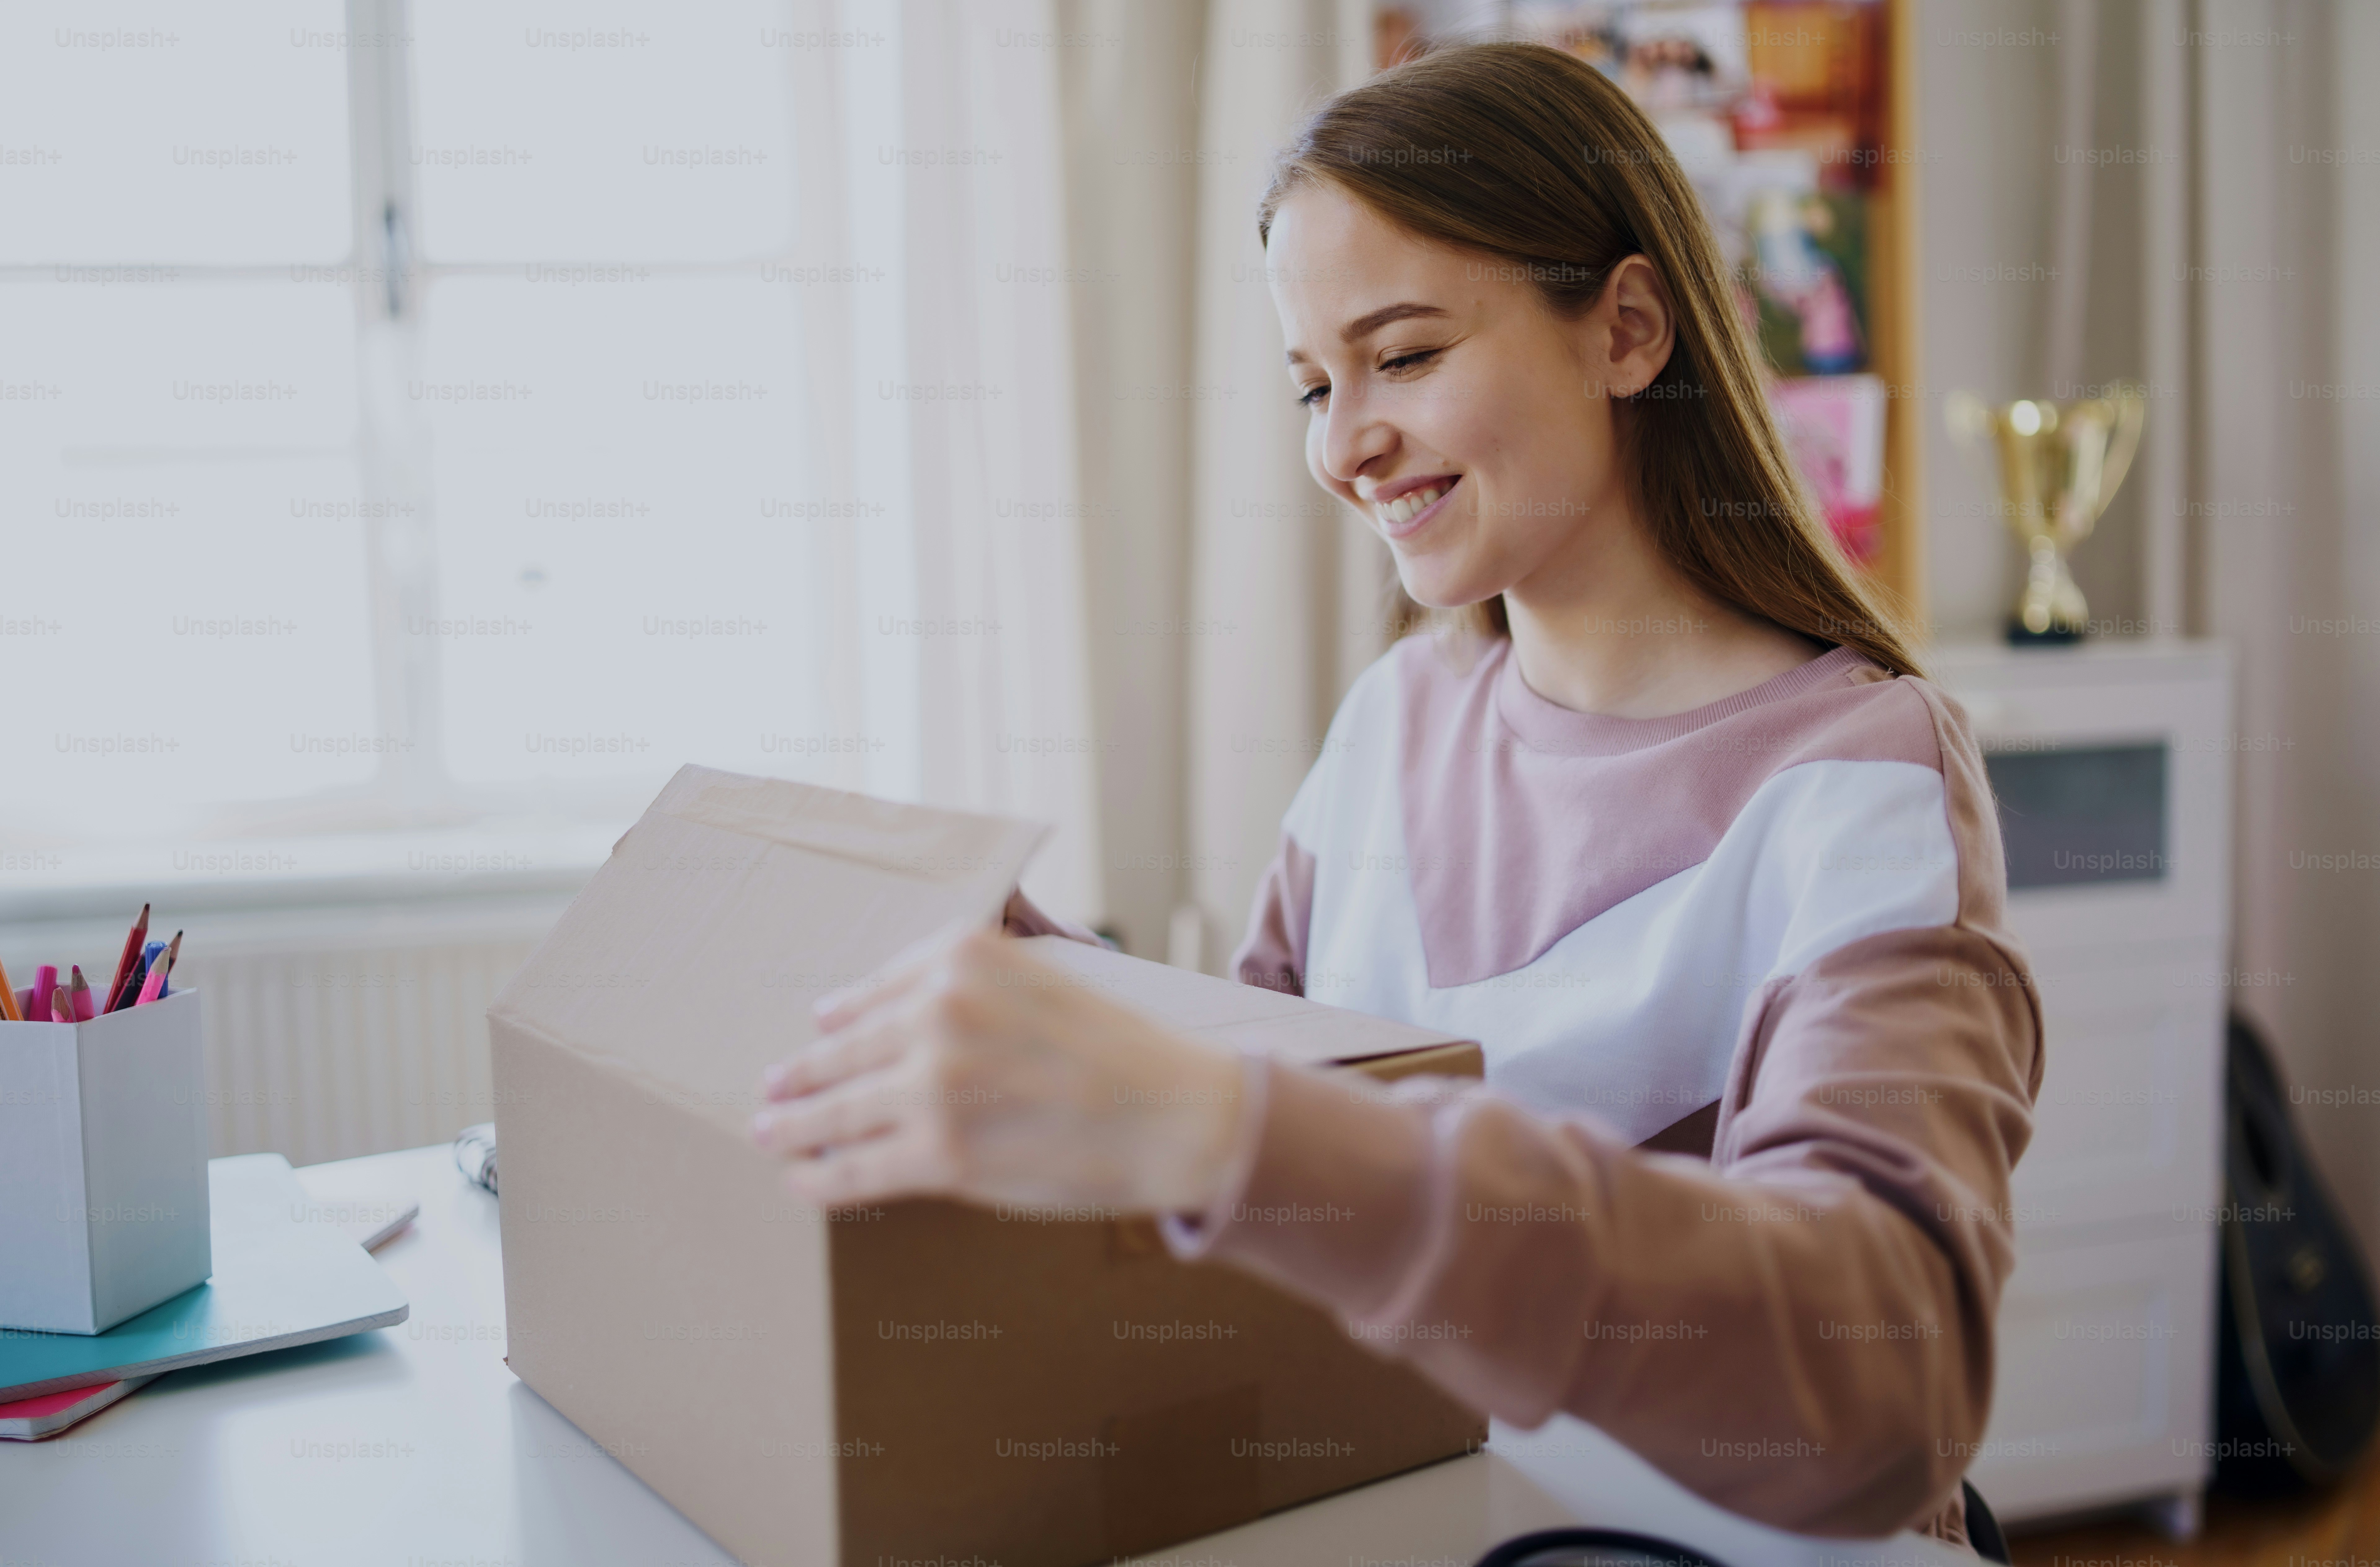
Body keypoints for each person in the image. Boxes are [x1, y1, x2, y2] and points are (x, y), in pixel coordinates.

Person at [751, 41, 2039, 1553]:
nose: (1344, 445)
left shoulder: (1862, 785)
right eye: (1313, 383)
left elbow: (1882, 1378)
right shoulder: (1395, 716)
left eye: (1406, 355)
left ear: (1626, 330)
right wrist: (1088, 1015)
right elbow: (1274, 1123)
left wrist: (1222, 1129)